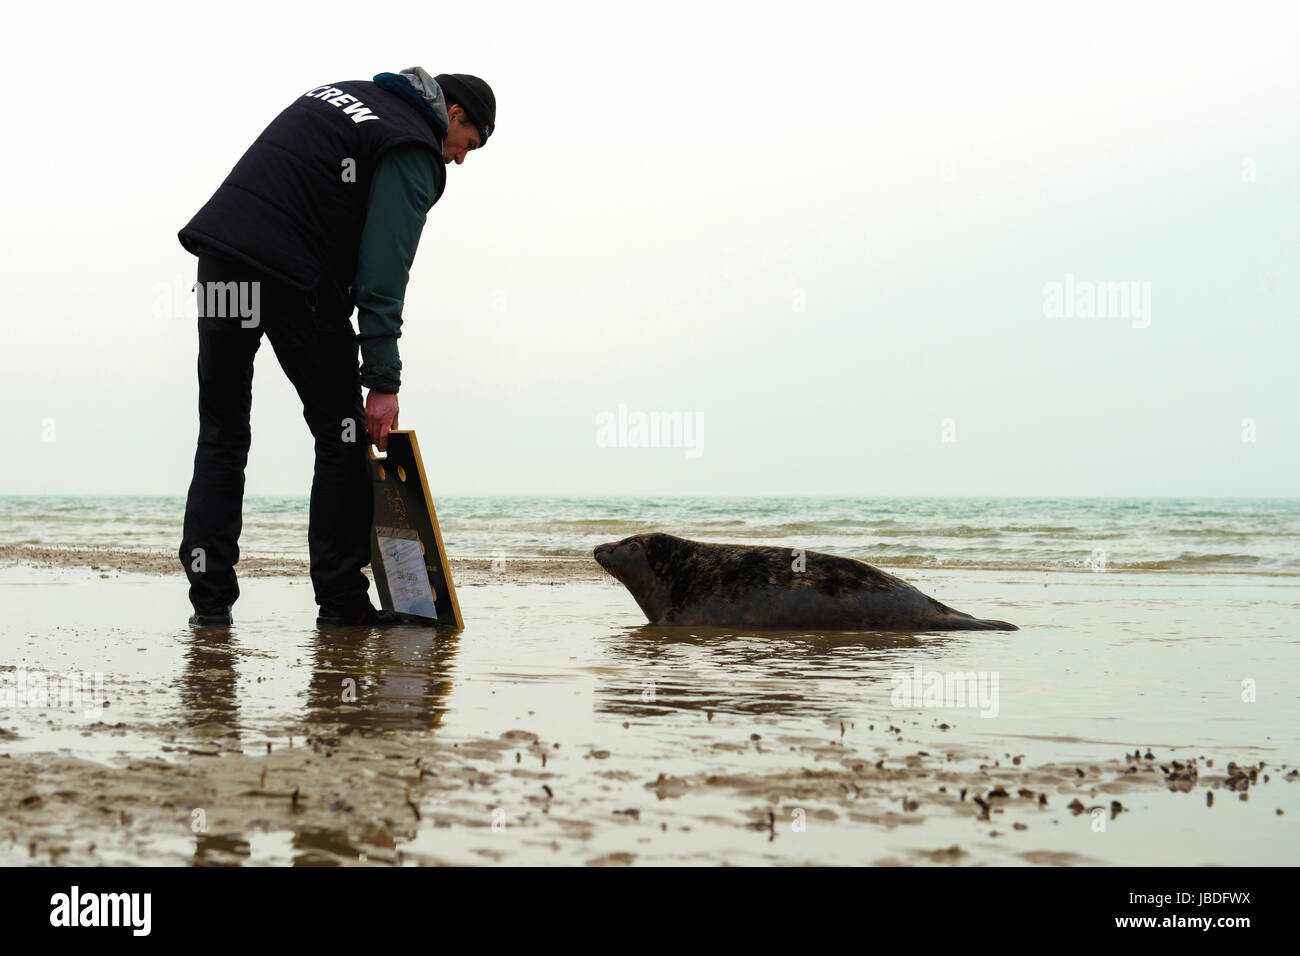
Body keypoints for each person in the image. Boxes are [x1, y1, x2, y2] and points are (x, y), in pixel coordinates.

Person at [176, 68, 495, 627]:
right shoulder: (412, 144)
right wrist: (383, 381)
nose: (460, 160)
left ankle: (210, 606)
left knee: (222, 430)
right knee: (342, 431)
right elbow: (383, 268)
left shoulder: (351, 93)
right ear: (454, 115)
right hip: (289, 274)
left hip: (224, 258)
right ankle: (341, 600)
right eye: (468, 145)